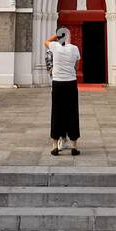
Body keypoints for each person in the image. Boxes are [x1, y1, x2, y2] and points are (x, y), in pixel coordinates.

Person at [43, 27, 82, 156]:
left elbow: (46, 41)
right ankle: (74, 146)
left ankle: (55, 146)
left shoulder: (54, 46)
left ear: (59, 37)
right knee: (72, 113)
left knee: (57, 113)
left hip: (58, 83)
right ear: (68, 37)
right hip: (71, 83)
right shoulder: (74, 49)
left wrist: (58, 36)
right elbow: (76, 66)